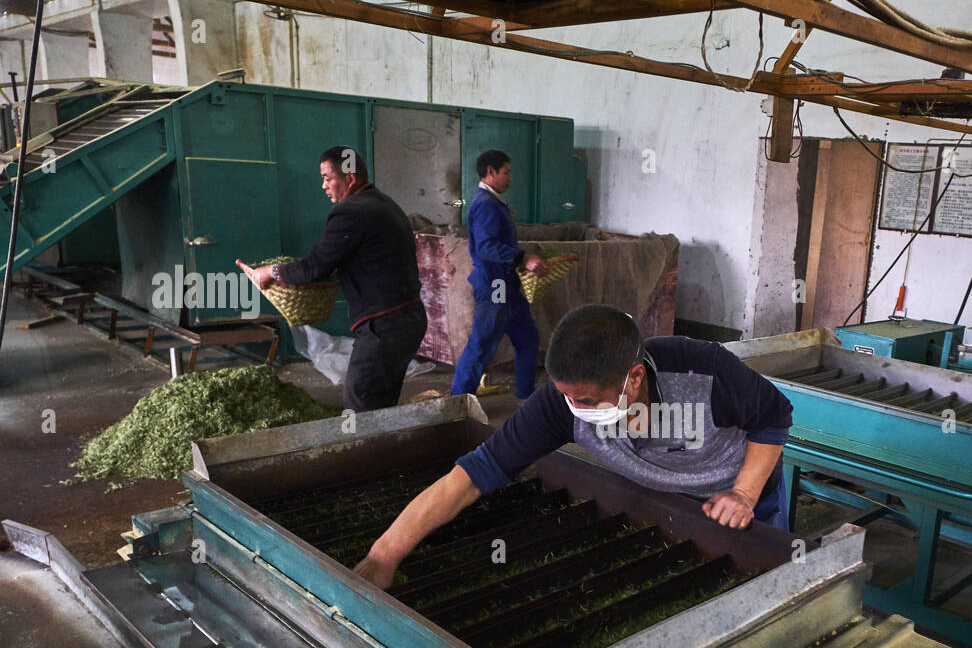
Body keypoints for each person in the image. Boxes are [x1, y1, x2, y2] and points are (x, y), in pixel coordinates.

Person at [354, 304, 793, 590]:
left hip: (734, 498)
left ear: (634, 378)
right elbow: (471, 477)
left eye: (585, 399)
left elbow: (772, 416)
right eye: (566, 396)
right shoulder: (559, 407)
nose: (574, 408)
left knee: (761, 588)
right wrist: (384, 554)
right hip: (662, 500)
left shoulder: (704, 369)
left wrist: (744, 494)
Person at [239, 146, 425, 412]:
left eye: (328, 178)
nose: (324, 186)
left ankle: (364, 452)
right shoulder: (384, 203)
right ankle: (384, 448)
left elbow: (314, 268)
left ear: (349, 178)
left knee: (359, 400)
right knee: (382, 400)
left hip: (384, 325)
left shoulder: (350, 212)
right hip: (409, 319)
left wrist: (271, 271)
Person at [449, 149, 549, 400]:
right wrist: (523, 258)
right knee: (481, 346)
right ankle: (458, 402)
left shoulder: (494, 203)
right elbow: (485, 246)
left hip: (508, 285)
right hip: (495, 285)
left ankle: (526, 395)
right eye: (506, 172)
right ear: (490, 172)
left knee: (528, 340)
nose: (510, 178)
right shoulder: (486, 205)